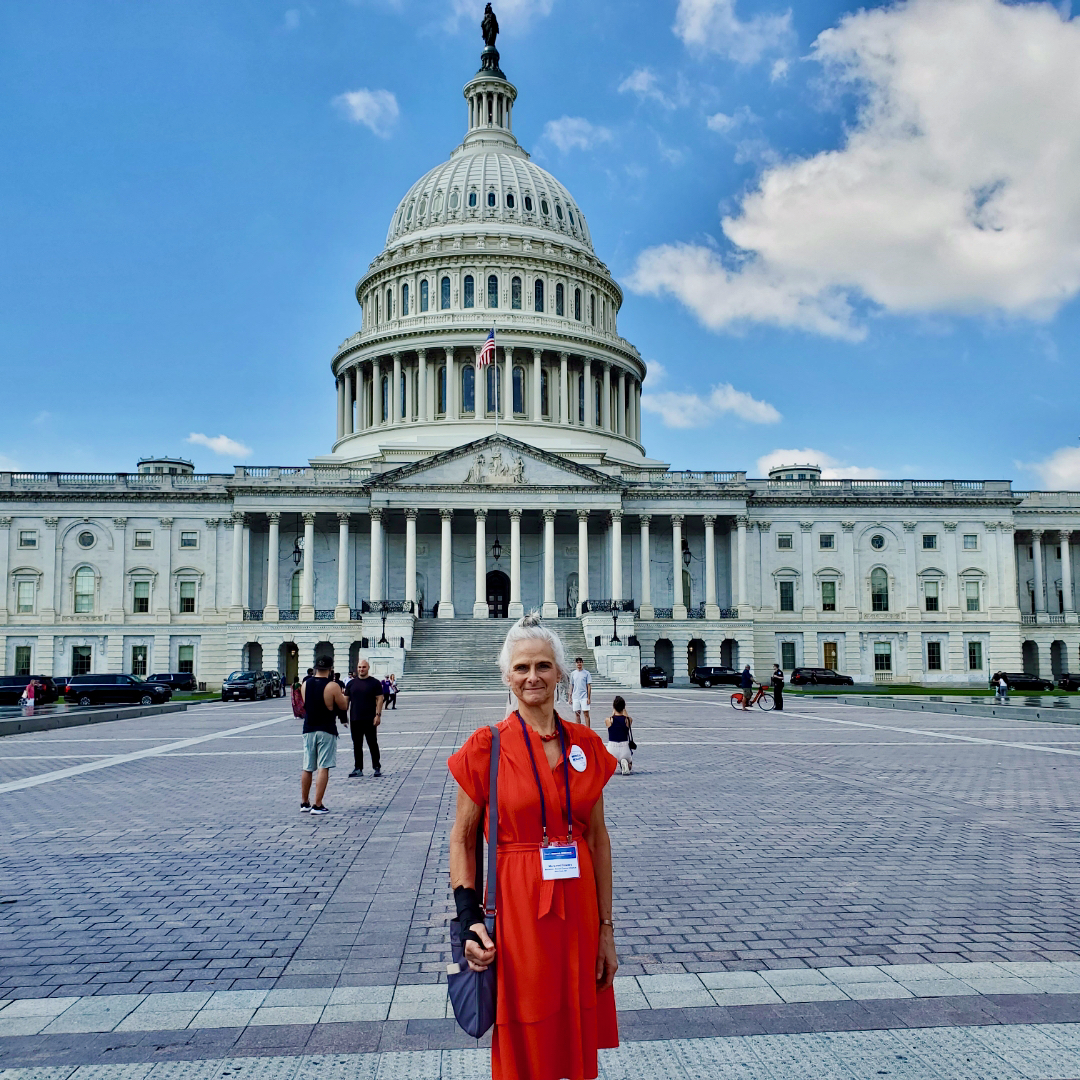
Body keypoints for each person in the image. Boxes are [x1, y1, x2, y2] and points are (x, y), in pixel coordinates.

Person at [448, 614, 618, 1080]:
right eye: (522, 668)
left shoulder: (585, 743)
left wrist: (606, 928)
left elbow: (598, 839)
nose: (532, 677)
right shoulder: (486, 747)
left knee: (575, 1027)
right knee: (524, 1031)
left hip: (578, 906)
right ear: (507, 676)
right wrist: (469, 922)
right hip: (518, 907)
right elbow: (463, 837)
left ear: (560, 673)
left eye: (543, 666)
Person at [300, 655, 347, 816]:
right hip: (326, 728)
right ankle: (317, 804)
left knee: (307, 767)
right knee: (323, 766)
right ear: (330, 669)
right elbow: (343, 705)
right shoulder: (332, 686)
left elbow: (306, 703)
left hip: (308, 728)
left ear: (315, 668)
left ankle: (304, 802)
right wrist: (344, 694)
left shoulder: (305, 684)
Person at [347, 658, 384, 778]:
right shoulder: (351, 684)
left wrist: (378, 715)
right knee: (357, 744)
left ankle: (376, 766)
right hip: (355, 718)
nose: (361, 669)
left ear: (368, 668)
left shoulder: (375, 683)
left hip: (370, 718)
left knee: (372, 743)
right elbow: (345, 701)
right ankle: (358, 768)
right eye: (359, 667)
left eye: (363, 667)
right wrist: (343, 716)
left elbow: (380, 699)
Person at [605, 695, 633, 774]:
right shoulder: (628, 720)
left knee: (606, 760)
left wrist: (614, 711)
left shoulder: (609, 720)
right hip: (625, 748)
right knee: (630, 764)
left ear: (614, 707)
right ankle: (625, 762)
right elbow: (628, 718)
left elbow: (611, 717)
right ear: (624, 708)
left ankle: (611, 763)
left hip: (612, 748)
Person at [569, 656, 592, 728]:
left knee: (586, 713)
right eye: (577, 662)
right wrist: (570, 697)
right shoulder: (573, 674)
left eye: (580, 662)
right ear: (575, 664)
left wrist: (588, 697)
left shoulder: (586, 673)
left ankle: (588, 730)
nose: (579, 664)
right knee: (577, 714)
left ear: (582, 663)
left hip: (584, 696)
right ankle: (579, 729)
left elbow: (589, 686)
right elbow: (571, 685)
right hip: (575, 696)